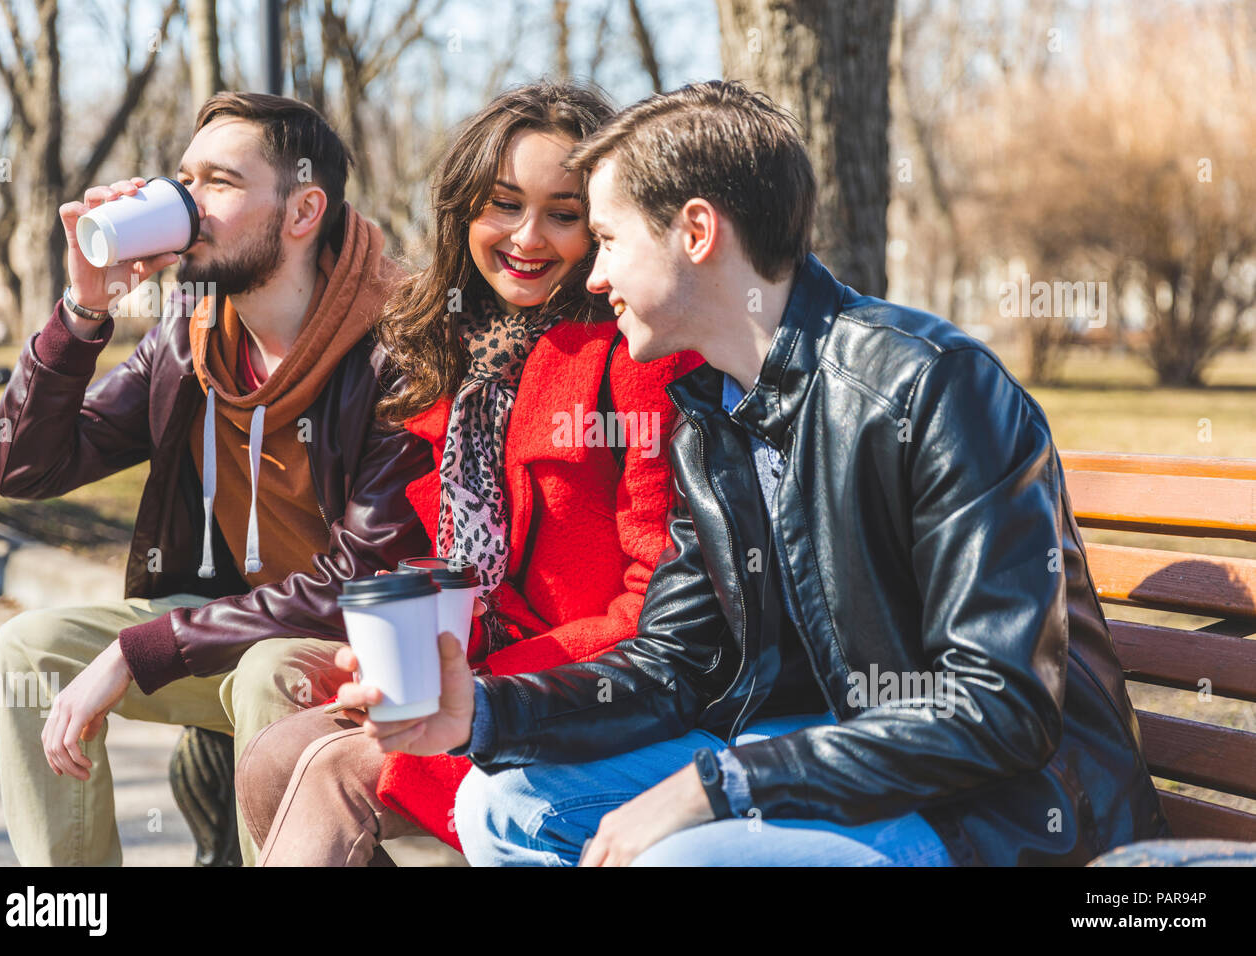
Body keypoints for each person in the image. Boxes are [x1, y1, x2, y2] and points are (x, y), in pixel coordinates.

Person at [337, 80, 1170, 867]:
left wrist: (725, 785)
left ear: (696, 234)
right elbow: (676, 663)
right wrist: (479, 713)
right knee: (505, 805)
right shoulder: (712, 412)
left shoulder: (933, 388)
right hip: (818, 754)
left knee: (689, 856)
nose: (593, 276)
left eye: (610, 239)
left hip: (990, 810)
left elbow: (1000, 708)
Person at [233, 82, 702, 866]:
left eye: (563, 213)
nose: (528, 237)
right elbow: (474, 561)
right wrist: (409, 647)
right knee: (273, 756)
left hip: (586, 697)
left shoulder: (638, 357)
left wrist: (478, 690)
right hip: (480, 663)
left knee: (327, 773)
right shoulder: (461, 348)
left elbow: (656, 606)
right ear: (464, 211)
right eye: (504, 204)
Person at [0, 92, 432, 867]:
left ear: (303, 212)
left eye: (218, 184)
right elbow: (29, 467)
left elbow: (358, 583)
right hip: (236, 625)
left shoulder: (397, 354)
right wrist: (82, 311)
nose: (187, 206)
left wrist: (142, 650)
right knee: (34, 647)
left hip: (366, 651)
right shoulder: (192, 335)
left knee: (269, 669)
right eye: (183, 181)